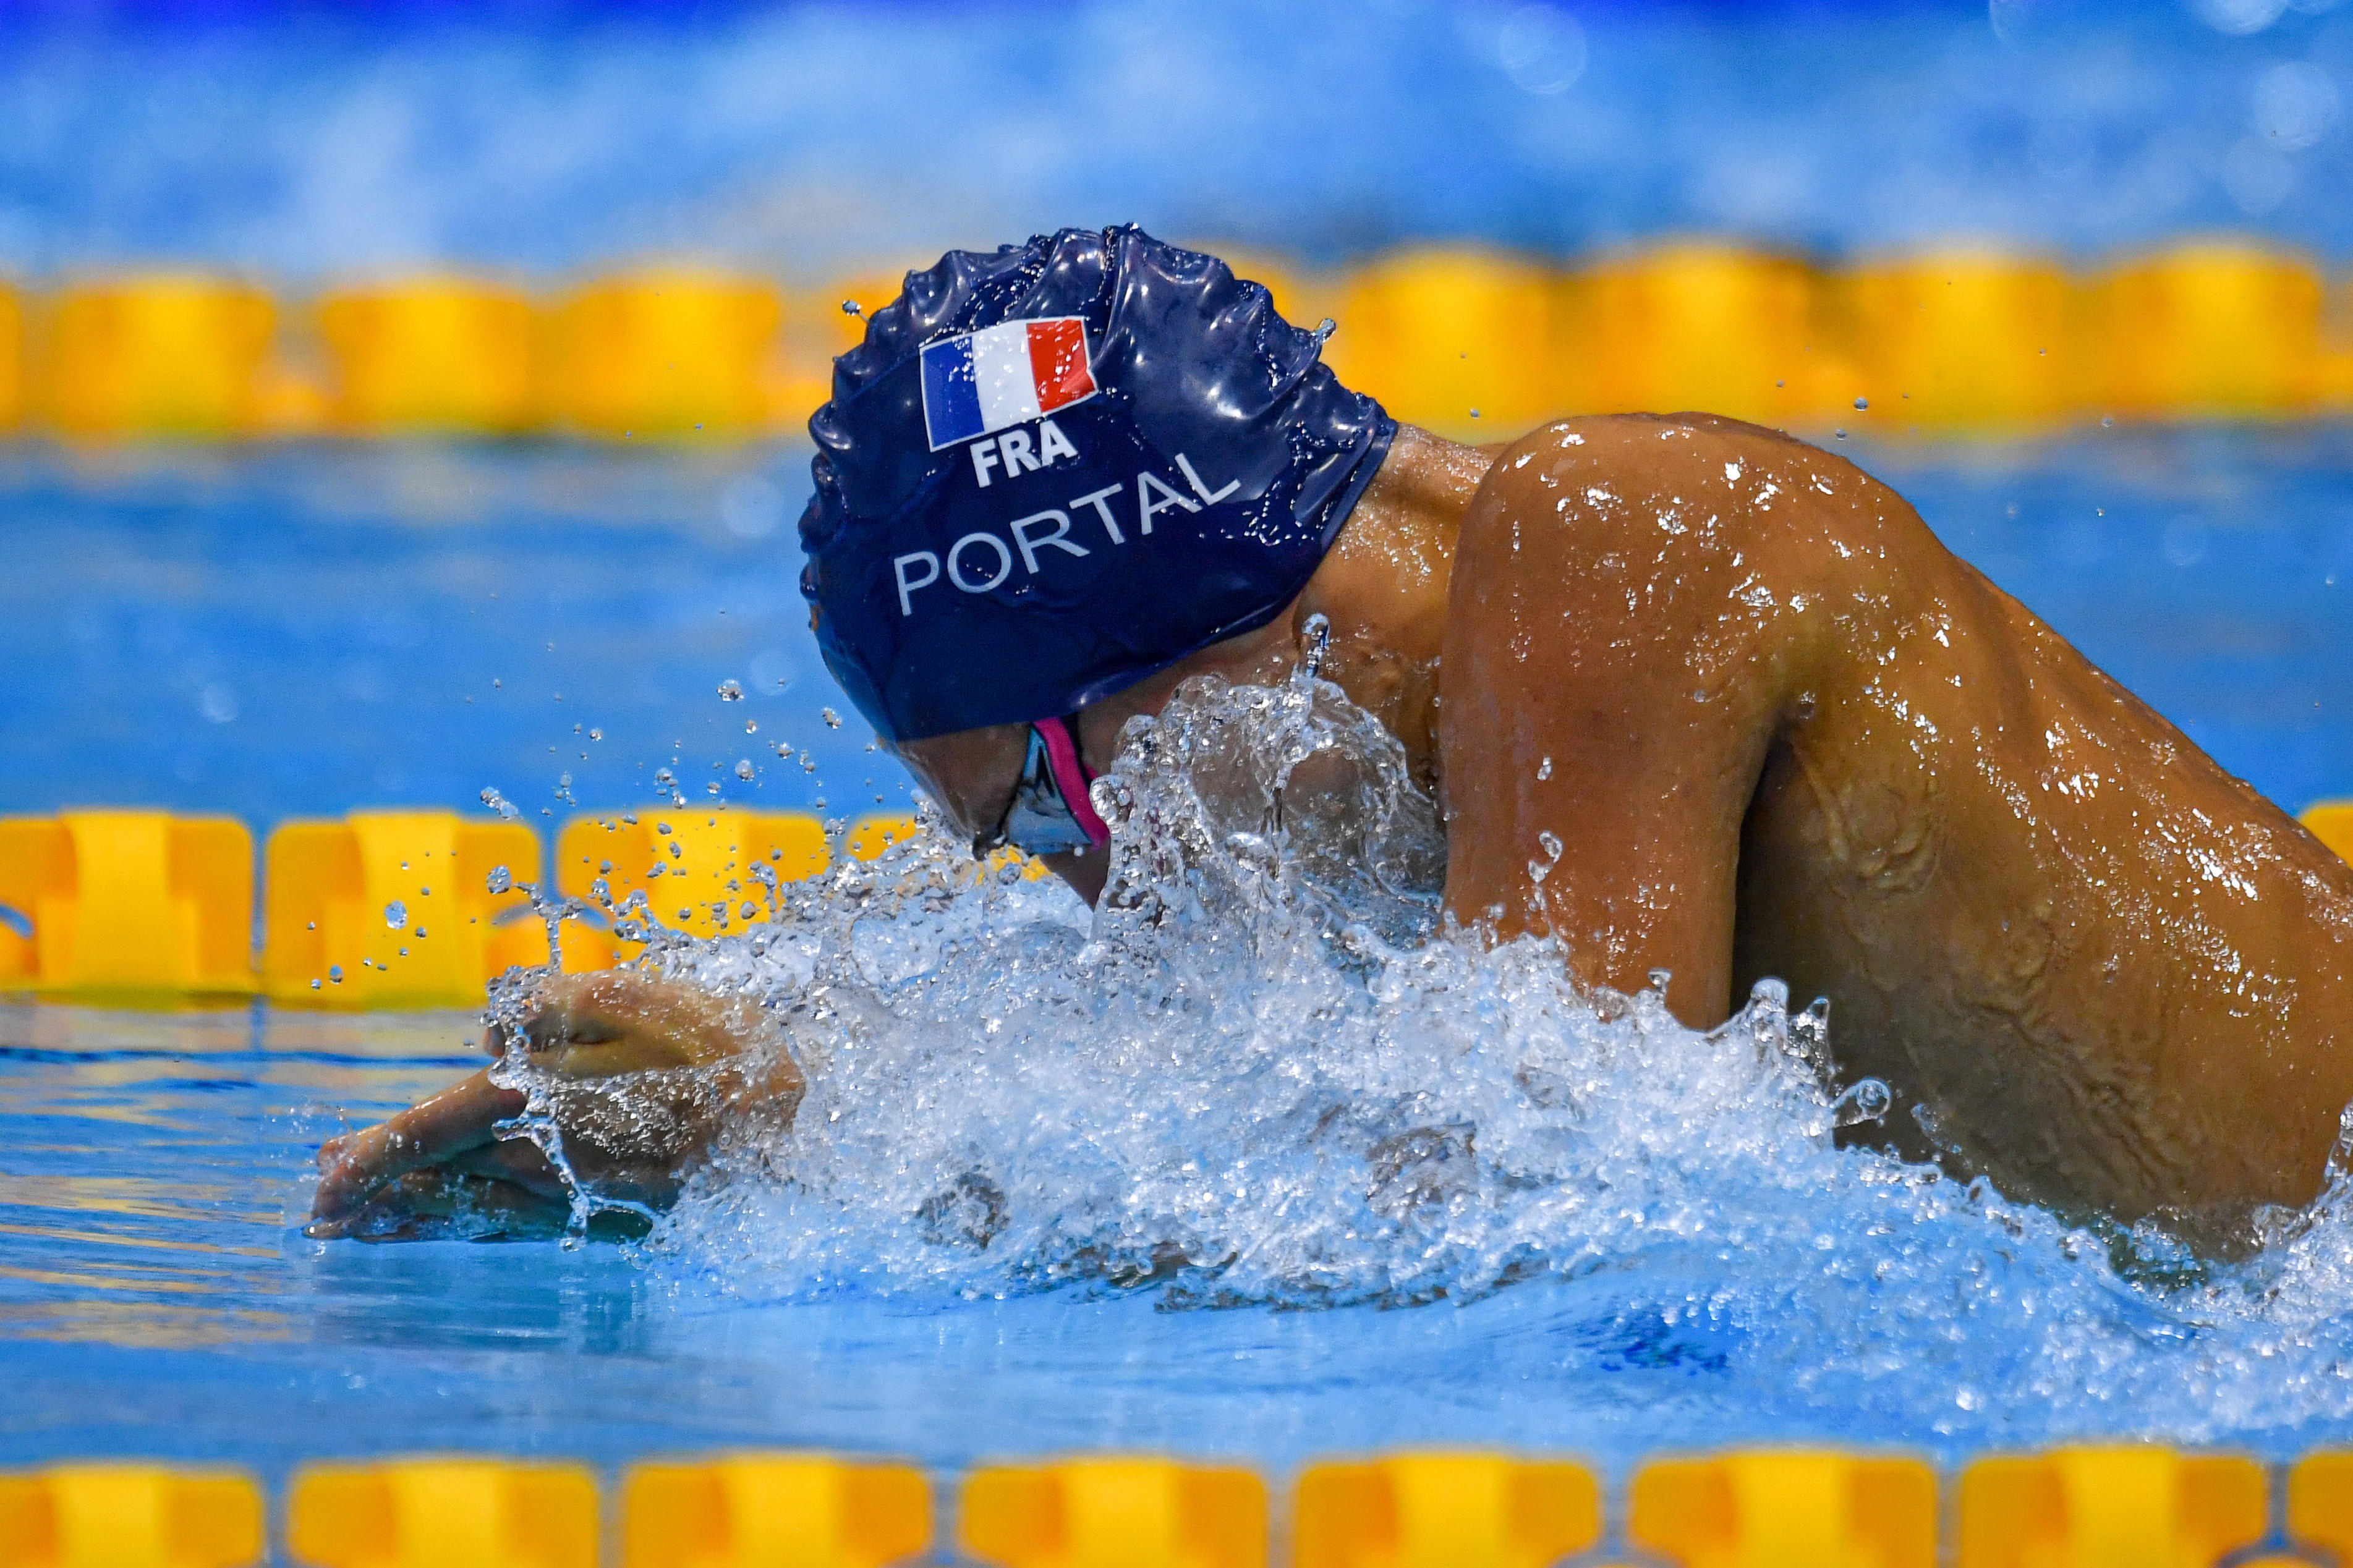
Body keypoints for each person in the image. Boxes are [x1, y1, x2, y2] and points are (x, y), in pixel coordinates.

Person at [310, 226, 2353, 1253]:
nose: (1104, 885)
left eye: (1051, 804)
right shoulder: (1506, 709)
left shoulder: (1612, 549)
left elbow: (1532, 1209)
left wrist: (804, 1146)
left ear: (1190, 629)